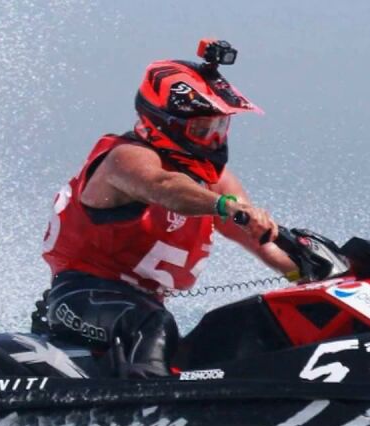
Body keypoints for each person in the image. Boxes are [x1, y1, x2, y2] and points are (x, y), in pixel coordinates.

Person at [38, 40, 297, 377]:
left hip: (140, 308)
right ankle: (148, 416)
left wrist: (312, 272)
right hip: (79, 299)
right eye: (201, 130)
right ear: (165, 123)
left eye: (219, 128)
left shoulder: (215, 183)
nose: (214, 139)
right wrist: (226, 207)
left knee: (235, 331)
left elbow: (263, 245)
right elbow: (165, 188)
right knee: (152, 324)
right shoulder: (126, 159)